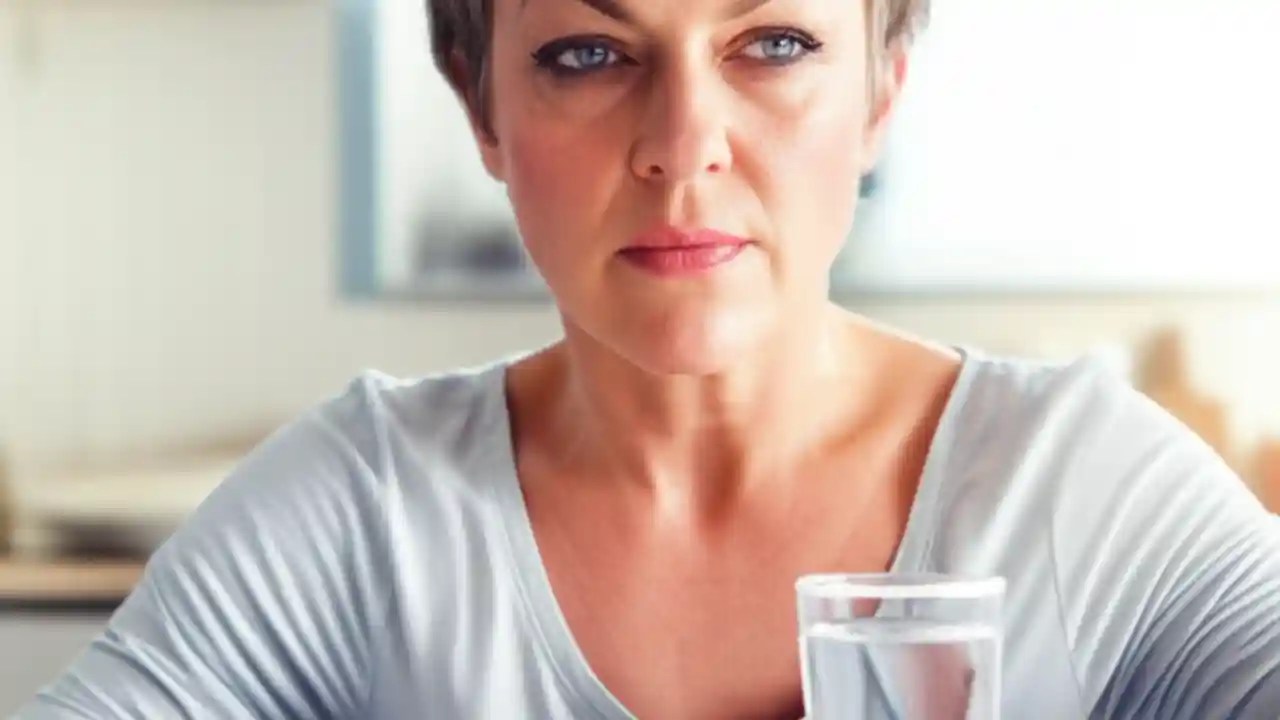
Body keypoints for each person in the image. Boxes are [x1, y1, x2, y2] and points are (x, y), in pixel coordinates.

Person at [19, 0, 1280, 718]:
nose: (683, 146)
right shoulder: (361, 514)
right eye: (587, 54)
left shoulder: (1086, 495)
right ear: (483, 113)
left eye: (771, 42)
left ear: (882, 93)